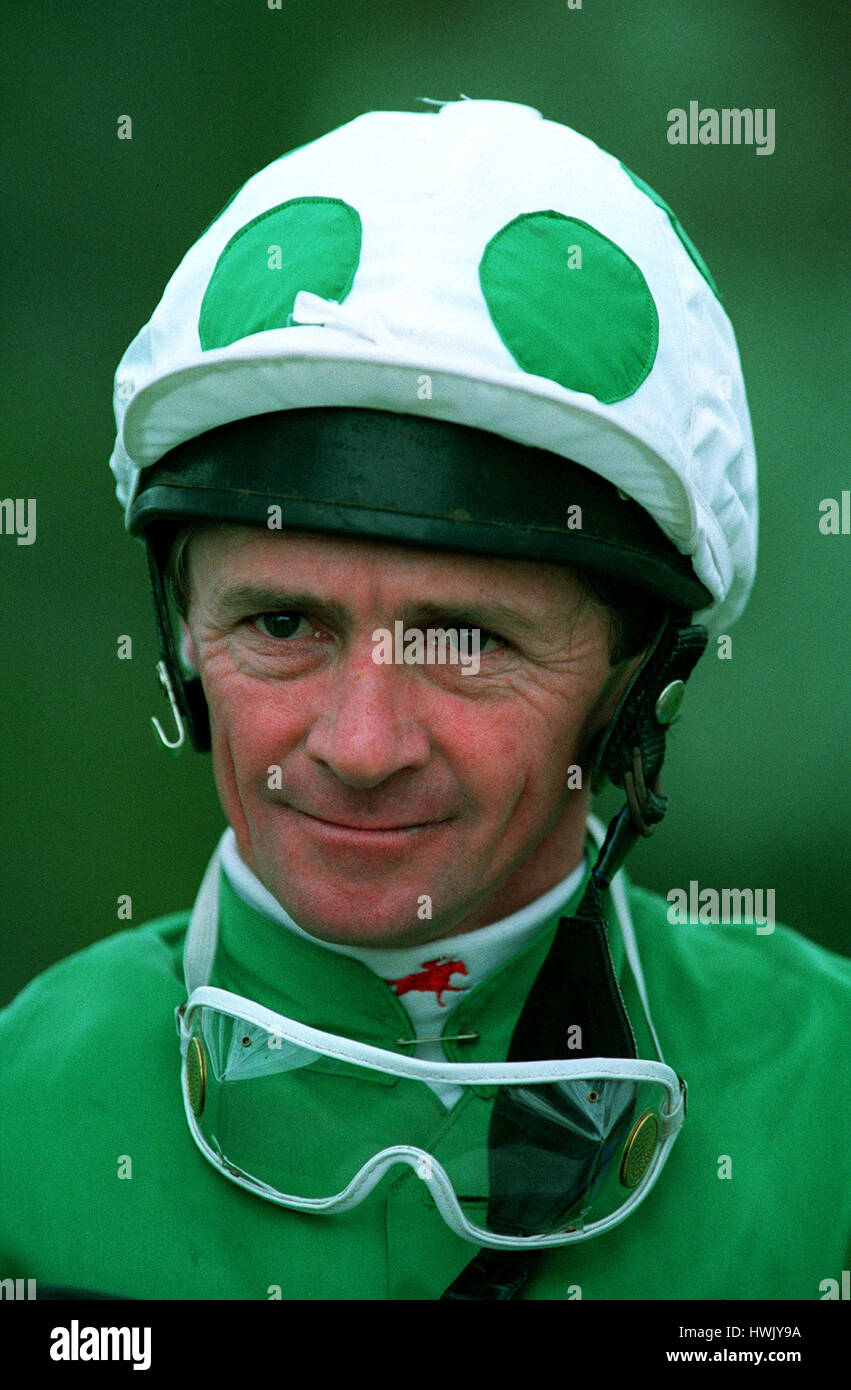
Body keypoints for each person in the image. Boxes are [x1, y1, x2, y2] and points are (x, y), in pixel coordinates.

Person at [1, 99, 848, 1302]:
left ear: (638, 683)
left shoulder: (831, 1111)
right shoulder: (19, 1110)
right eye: (281, 624)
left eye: (464, 641)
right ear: (182, 635)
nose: (356, 745)